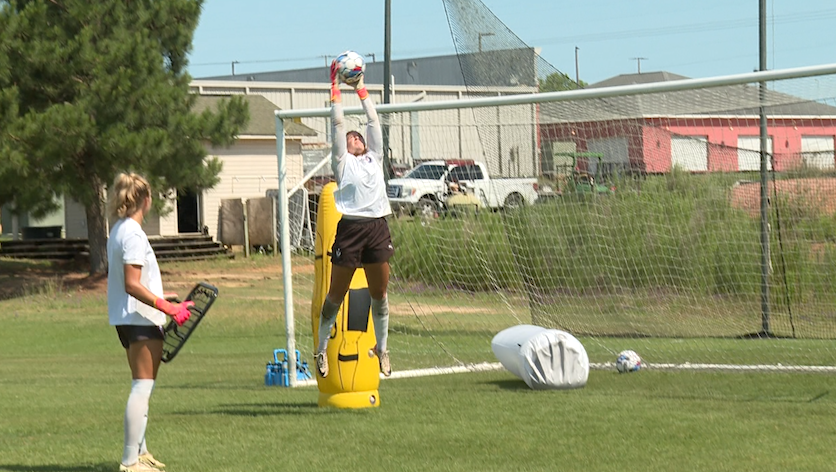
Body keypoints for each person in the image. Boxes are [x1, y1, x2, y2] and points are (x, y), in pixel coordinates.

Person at [107, 172, 193, 472]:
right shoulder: (132, 233)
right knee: (142, 387)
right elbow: (132, 284)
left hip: (129, 317)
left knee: (142, 386)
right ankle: (130, 462)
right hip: (139, 318)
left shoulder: (119, 229)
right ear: (146, 199)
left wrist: (162, 296)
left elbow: (132, 282)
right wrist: (166, 307)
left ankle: (141, 453)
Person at [315, 59, 395, 379]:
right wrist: (335, 85)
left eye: (358, 136)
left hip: (377, 227)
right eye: (351, 138)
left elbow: (373, 120)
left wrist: (360, 88)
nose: (356, 138)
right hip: (349, 229)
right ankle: (321, 349)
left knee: (381, 296)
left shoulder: (374, 158)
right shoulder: (343, 163)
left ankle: (383, 349)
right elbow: (337, 124)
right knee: (335, 296)